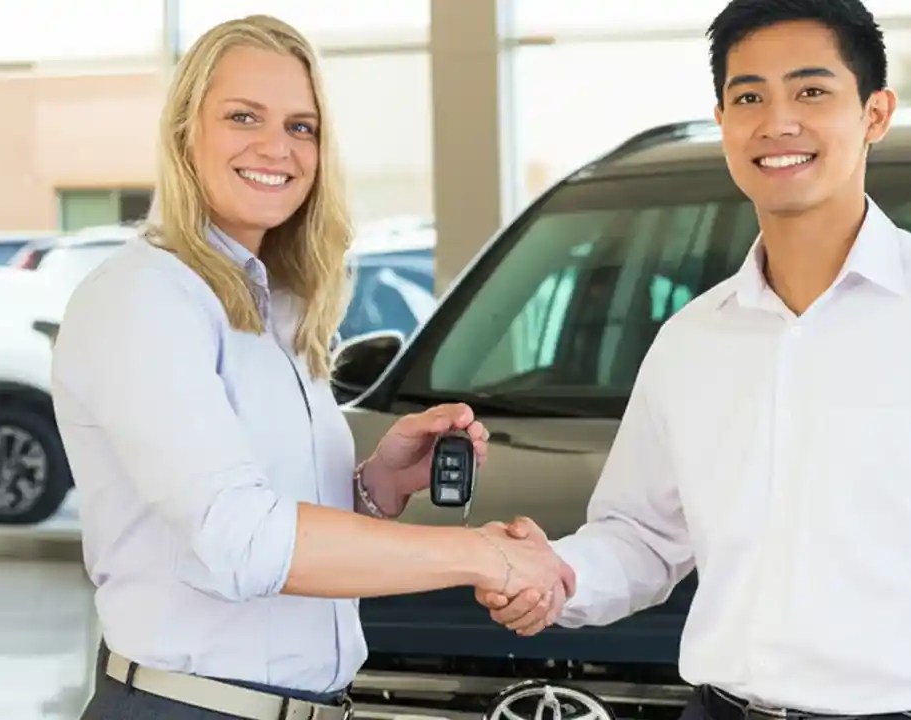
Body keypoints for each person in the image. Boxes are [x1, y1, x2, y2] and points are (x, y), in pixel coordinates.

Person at [476, 0, 911, 718]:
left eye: (811, 91)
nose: (778, 122)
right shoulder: (691, 341)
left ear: (875, 113)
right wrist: (561, 571)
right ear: (724, 121)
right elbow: (642, 537)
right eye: (749, 97)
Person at [50, 15, 571, 720]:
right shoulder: (145, 298)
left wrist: (375, 487)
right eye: (244, 117)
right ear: (184, 134)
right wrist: (481, 555)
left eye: (302, 126)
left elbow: (266, 519)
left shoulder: (278, 304)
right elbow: (242, 543)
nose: (278, 148)